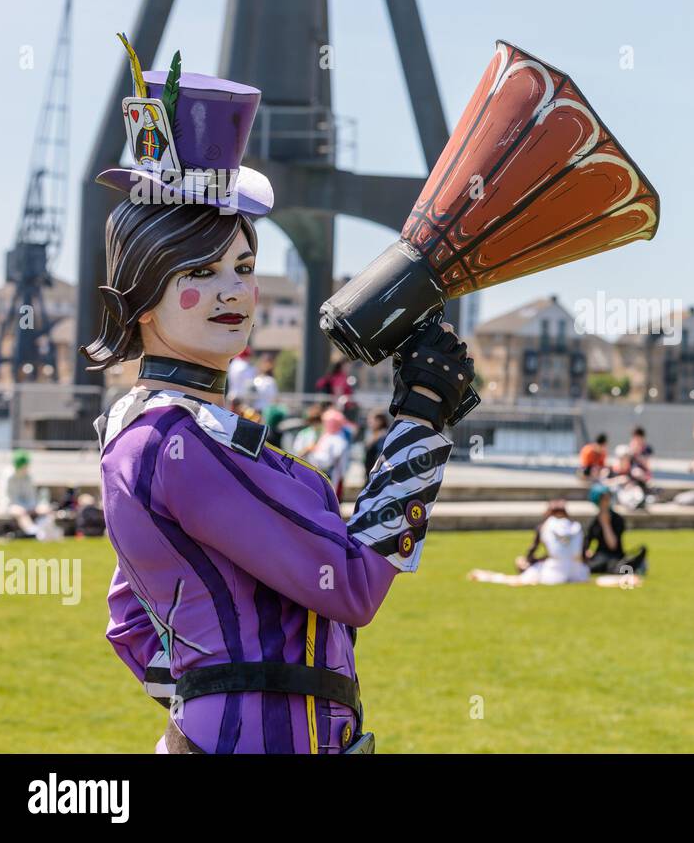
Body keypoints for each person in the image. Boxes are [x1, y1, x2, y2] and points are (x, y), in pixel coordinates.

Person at [81, 50, 476, 754]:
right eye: (199, 273)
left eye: (244, 267)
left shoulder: (132, 433)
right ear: (140, 298)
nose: (233, 291)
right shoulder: (182, 442)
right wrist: (420, 423)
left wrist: (201, 712)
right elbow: (352, 585)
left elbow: (130, 621)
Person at [468, 499, 641, 588]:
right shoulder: (576, 526)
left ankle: (484, 576)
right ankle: (624, 580)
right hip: (578, 572)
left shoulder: (545, 525)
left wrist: (530, 563)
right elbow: (582, 554)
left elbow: (532, 553)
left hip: (553, 574)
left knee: (520, 574)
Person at [584, 483, 647, 576]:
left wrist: (606, 525)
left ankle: (630, 565)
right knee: (592, 566)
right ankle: (629, 566)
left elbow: (613, 545)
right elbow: (586, 543)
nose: (607, 501)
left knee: (614, 565)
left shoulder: (618, 519)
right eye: (604, 499)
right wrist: (587, 552)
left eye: (608, 498)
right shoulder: (594, 522)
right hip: (600, 556)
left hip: (616, 556)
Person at [0, 449, 59, 540]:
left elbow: (31, 495)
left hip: (26, 505)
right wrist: (22, 507)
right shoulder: (8, 476)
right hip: (9, 505)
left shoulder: (28, 476)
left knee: (45, 509)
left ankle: (47, 531)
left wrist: (34, 507)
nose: (27, 467)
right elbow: (7, 497)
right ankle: (32, 532)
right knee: (21, 512)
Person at [309, 408, 354, 501]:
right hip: (325, 472)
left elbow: (329, 459)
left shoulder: (337, 438)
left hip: (331, 474)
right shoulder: (328, 435)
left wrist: (313, 454)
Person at [363, 411, 391, 483]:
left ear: (379, 421)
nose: (369, 422)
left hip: (377, 477)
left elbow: (381, 457)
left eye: (371, 420)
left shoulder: (383, 436)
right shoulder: (373, 434)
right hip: (370, 475)